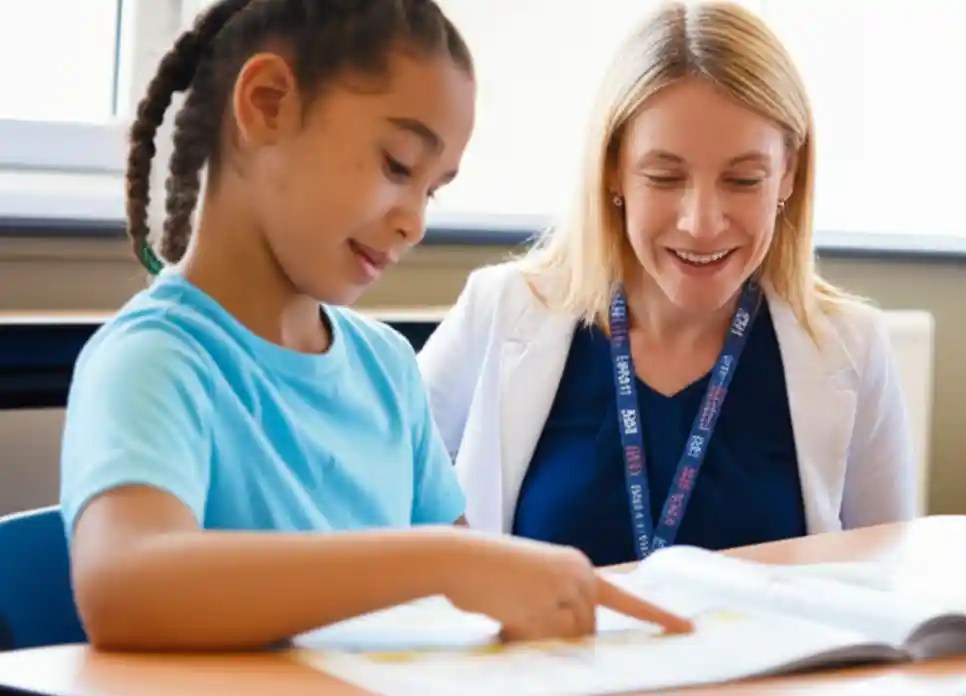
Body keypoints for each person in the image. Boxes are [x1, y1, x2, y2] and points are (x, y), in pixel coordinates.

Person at [60, 0, 689, 652]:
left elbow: (471, 603)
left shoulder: (385, 366)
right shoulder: (153, 361)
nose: (415, 221)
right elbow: (123, 588)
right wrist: (442, 563)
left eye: (433, 188)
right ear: (268, 103)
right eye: (397, 165)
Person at [417, 1, 916, 567]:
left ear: (789, 174)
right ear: (613, 169)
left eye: (742, 179)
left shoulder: (854, 347)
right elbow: (375, 510)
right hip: (551, 658)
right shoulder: (500, 310)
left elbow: (887, 589)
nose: (701, 223)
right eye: (665, 176)